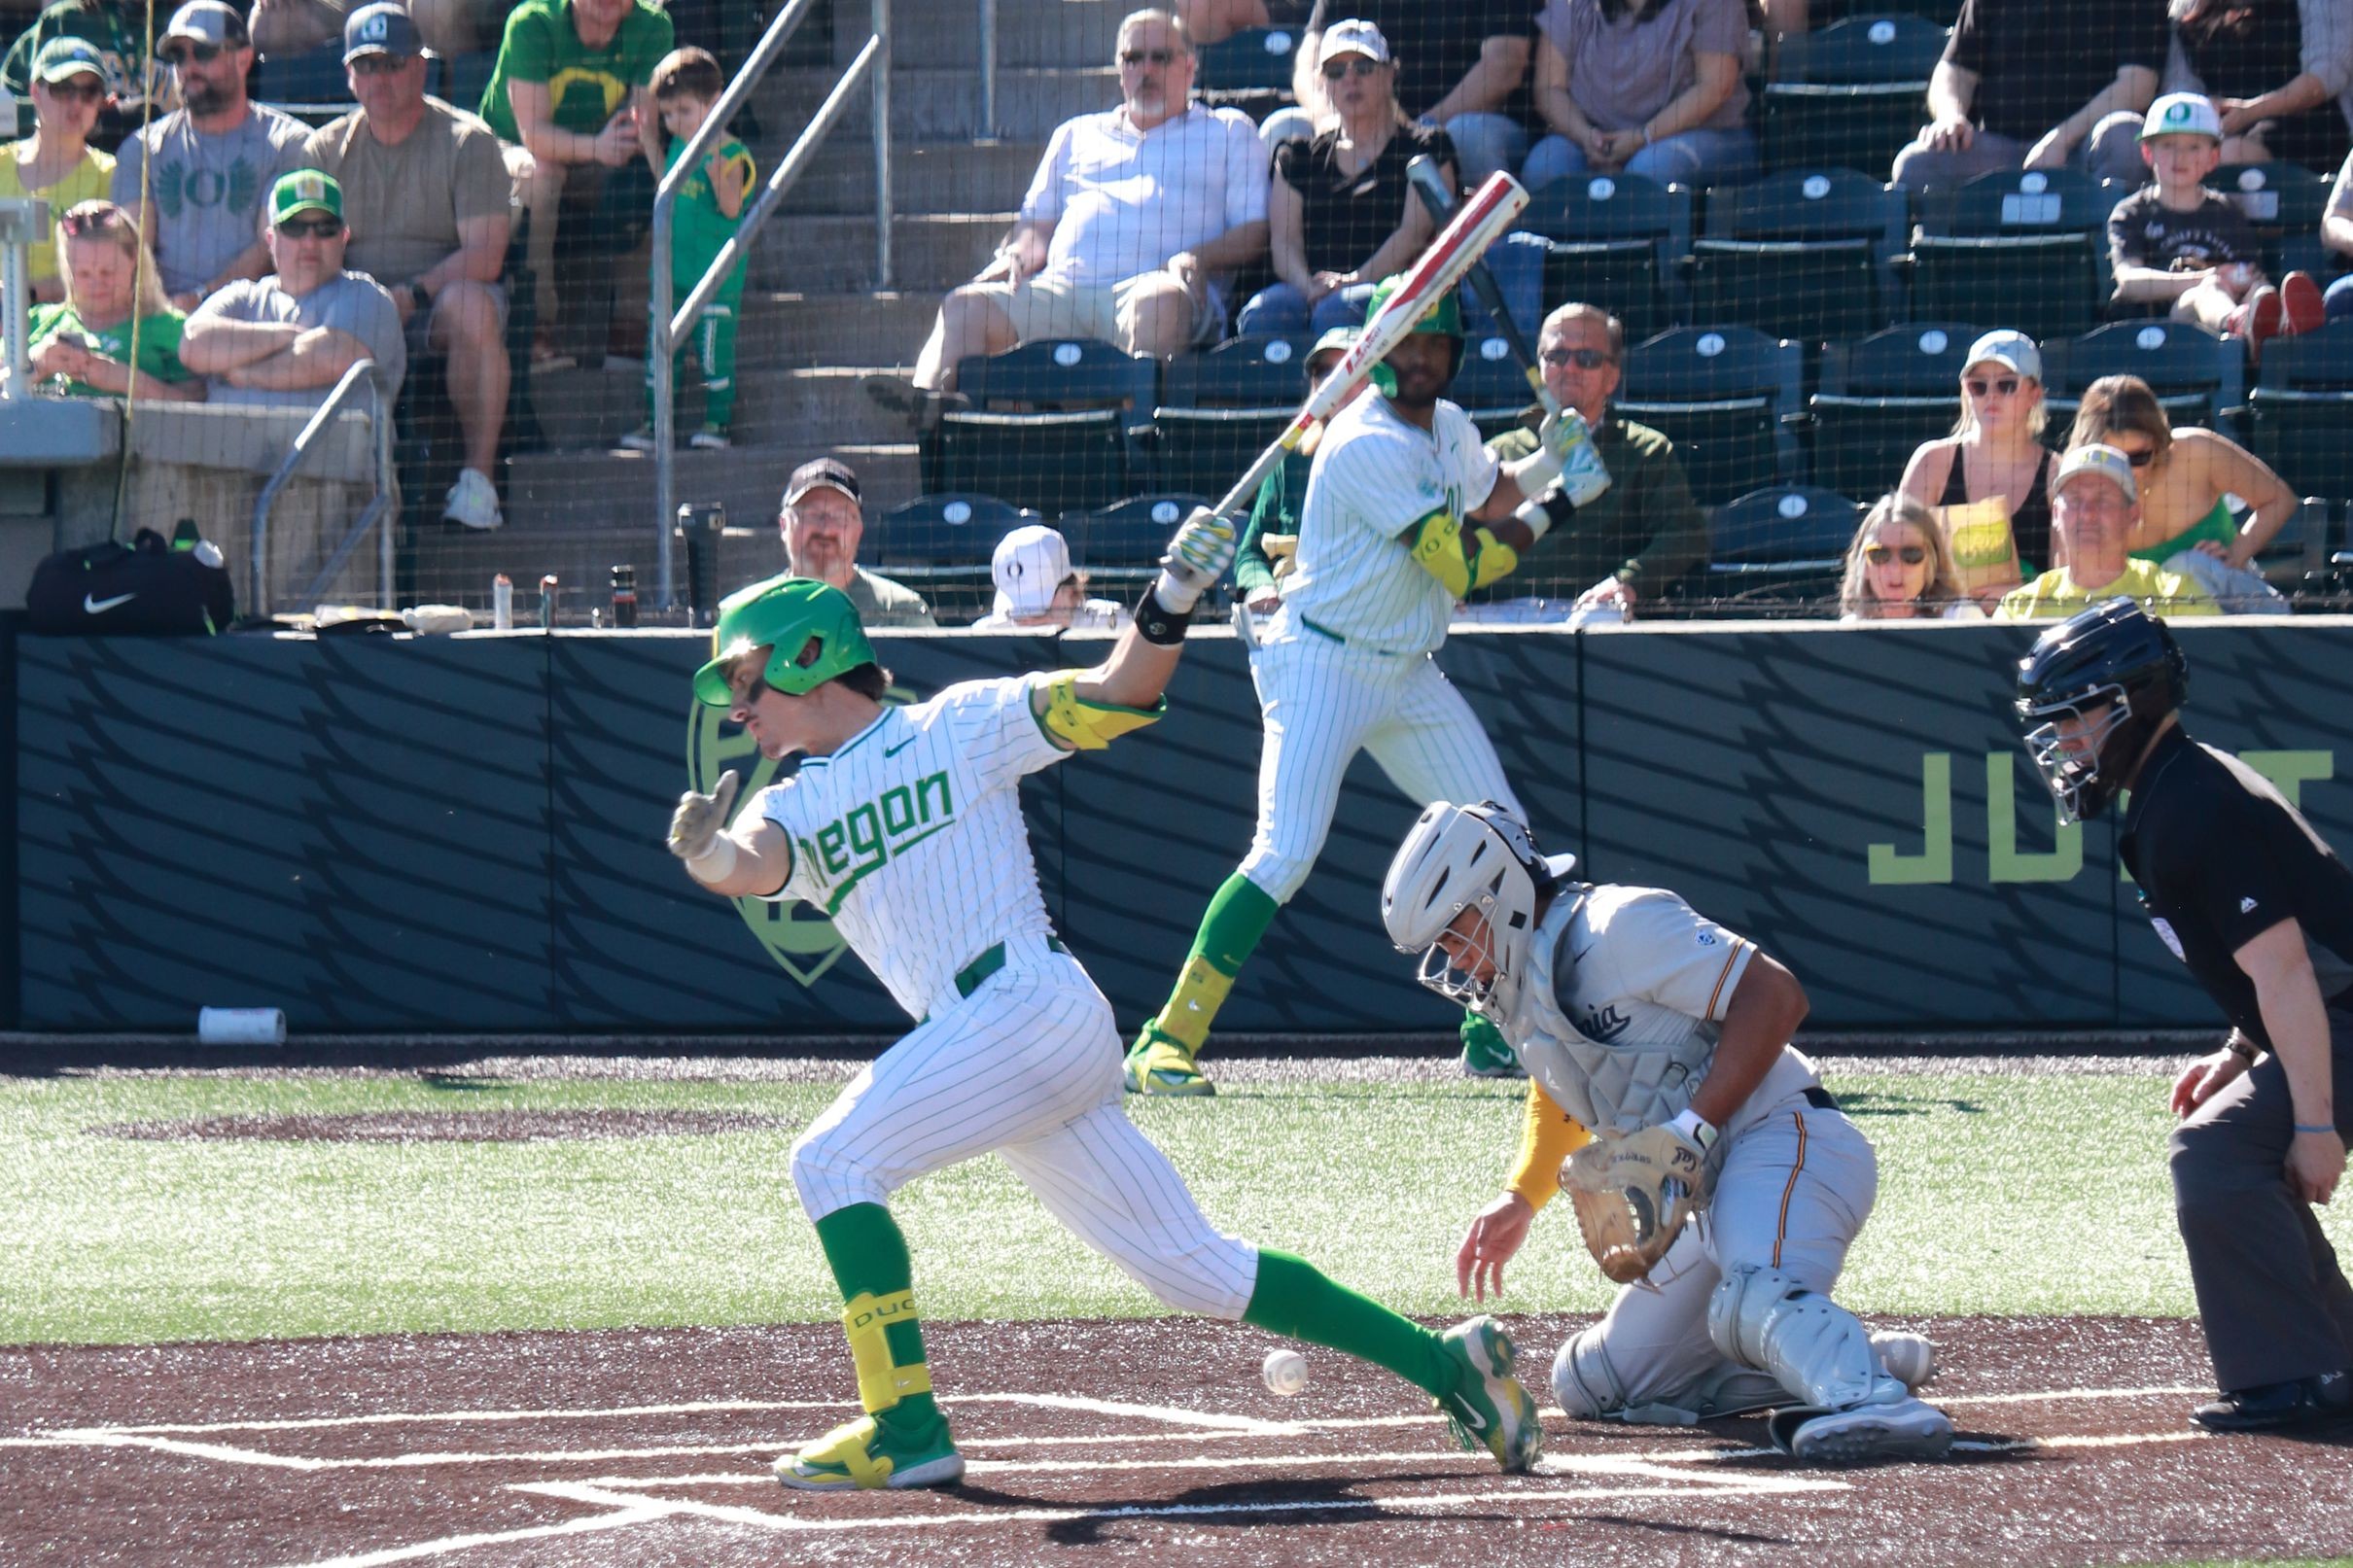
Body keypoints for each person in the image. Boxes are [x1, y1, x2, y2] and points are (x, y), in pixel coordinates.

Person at [661, 530, 1548, 1490]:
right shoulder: (793, 802)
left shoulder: (957, 723)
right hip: (1006, 1045)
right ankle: (1451, 1366)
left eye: (747, 677)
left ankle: (905, 1425)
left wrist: (1171, 593)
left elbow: (1121, 687)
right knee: (1196, 1269)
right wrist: (705, 853)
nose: (737, 704)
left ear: (809, 653)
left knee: (830, 1160)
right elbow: (748, 861)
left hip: (1024, 1006)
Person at [1125, 276, 1614, 1096]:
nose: (1420, 358)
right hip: (1320, 662)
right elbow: (1463, 564)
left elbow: (1490, 495)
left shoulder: (1448, 425)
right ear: (1378, 351)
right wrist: (1564, 501)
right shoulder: (1362, 441)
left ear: (1454, 353)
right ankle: (1164, 1040)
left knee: (1505, 837)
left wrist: (1548, 461)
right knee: (1285, 852)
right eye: (1405, 342)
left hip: (1404, 666)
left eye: (1434, 343)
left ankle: (1489, 1030)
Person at [1379, 800, 1956, 1463]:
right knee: (1594, 1381)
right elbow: (1565, 1085)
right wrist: (1521, 1197)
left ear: (1498, 895)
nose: (1452, 959)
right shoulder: (1521, 989)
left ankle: (1873, 1401)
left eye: (1454, 933)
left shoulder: (1619, 925)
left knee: (1750, 1300)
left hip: (1790, 1139)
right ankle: (1838, 1355)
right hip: (1710, 1192)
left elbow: (1775, 996)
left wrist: (1689, 1128)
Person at [2014, 598, 2353, 1431]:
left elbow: (2286, 966)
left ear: (2130, 701)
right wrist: (2240, 1053)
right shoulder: (2179, 786)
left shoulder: (2192, 801)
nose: (2064, 740)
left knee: (2217, 1152)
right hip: (2334, 1013)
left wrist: (2316, 1124)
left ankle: (2300, 1373)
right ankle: (2332, 1358)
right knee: (2236, 1151)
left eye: (2075, 716)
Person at [869, 11, 1268, 415]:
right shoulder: (1076, 134)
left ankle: (1135, 442)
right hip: (1061, 291)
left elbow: (1255, 230)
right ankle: (927, 411)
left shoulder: (1228, 131)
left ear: (1190, 67)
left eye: (1160, 57)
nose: (1145, 70)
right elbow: (1036, 227)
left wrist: (1199, 257)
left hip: (1154, 290)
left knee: (1160, 302)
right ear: (1119, 69)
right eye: (1133, 58)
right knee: (964, 304)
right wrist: (1016, 255)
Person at [301, 2, 515, 534]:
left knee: (471, 307)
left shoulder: (468, 141)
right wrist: (366, 302)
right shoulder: (323, 151)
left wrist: (411, 295)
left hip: (434, 306)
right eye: (366, 65)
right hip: (351, 306)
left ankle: (479, 483)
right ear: (349, 75)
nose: (380, 78)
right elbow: (304, 251)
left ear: (421, 66)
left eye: (392, 64)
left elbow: (486, 255)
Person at [1472, 301, 1706, 621]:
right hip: (1493, 616)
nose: (1569, 368)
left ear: (1612, 377)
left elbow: (1685, 535)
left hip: (1595, 616)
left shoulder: (1646, 451)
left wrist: (1627, 582)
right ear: (1539, 368)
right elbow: (1456, 536)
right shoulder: (1499, 453)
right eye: (1556, 356)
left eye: (1587, 358)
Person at [478, 0, 673, 367]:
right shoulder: (531, 24)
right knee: (543, 175)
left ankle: (633, 326)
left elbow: (643, 126)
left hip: (596, 151)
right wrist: (597, 147)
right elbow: (533, 135)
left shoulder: (653, 27)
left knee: (652, 182)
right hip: (509, 151)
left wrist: (666, 180)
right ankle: (535, 325)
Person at [1235, 19, 1454, 338]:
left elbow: (1413, 234)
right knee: (1267, 312)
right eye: (1336, 71)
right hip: (1309, 291)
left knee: (1338, 310)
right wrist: (1308, 287)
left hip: (1391, 293)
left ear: (1390, 74)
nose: (1350, 79)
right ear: (1323, 82)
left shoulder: (1428, 147)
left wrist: (1353, 282)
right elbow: (1284, 242)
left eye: (1363, 67)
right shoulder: (1297, 156)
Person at [109, 0, 310, 311]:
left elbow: (270, 247)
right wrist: (166, 313)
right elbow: (134, 251)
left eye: (203, 52)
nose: (188, 68)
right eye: (179, 56)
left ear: (244, 59)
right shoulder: (141, 148)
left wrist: (201, 299)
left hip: (255, 313)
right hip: (161, 315)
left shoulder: (288, 143)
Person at [179, 168, 407, 410]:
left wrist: (245, 372)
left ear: (344, 236)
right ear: (270, 239)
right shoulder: (242, 296)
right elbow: (193, 344)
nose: (310, 242)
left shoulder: (367, 296)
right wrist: (285, 335)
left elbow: (331, 358)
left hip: (332, 437)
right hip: (227, 436)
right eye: (294, 228)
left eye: (325, 228)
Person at [2108, 92, 2325, 347]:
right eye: (2168, 145)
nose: (2180, 156)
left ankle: (2280, 331)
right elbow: (2129, 281)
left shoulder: (2227, 213)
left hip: (2222, 328)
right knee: (2208, 290)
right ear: (2147, 152)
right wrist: (2207, 278)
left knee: (2258, 289)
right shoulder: (2131, 212)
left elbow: (2251, 274)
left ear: (2213, 157)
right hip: (2163, 329)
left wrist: (2254, 288)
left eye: (2194, 147)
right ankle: (2240, 324)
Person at [2067, 372, 2296, 610]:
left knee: (2188, 567)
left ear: (2158, 441)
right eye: (2115, 458)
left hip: (2236, 603)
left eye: (2139, 457)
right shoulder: (2075, 494)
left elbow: (2279, 499)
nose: (2129, 470)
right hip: (2146, 615)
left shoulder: (2196, 452)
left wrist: (2236, 554)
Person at [619, 45, 753, 453]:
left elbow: (731, 207)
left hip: (714, 281)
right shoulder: (679, 144)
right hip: (671, 273)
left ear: (715, 103)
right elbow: (668, 186)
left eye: (685, 111)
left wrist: (714, 166)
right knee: (660, 353)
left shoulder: (732, 153)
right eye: (667, 114)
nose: (675, 122)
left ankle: (718, 420)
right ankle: (655, 422)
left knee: (712, 353)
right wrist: (649, 141)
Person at [1889, 0, 2161, 192]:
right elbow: (1955, 70)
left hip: (2083, 151)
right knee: (1915, 164)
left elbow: (2137, 85)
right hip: (2001, 152)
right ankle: (1956, 255)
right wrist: (1951, 115)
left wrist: (2061, 139)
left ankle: (2113, 250)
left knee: (2126, 141)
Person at [1285, 2, 1533, 189]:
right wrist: (1326, 120)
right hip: (1375, 128)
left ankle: (1485, 242)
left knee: (1467, 133)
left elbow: (1504, 66)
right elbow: (1308, 65)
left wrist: (1420, 130)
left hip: (1481, 124)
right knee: (1286, 126)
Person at [1522, 0, 1758, 192]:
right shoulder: (1570, 4)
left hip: (1703, 136)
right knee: (1543, 168)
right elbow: (1549, 88)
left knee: (1649, 173)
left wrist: (1643, 137)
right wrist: (1587, 137)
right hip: (1590, 140)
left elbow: (1715, 87)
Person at [1896, 329, 2059, 604]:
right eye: (1978, 386)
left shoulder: (2057, 473)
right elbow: (1899, 554)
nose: (1991, 396)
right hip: (1939, 620)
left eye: (2006, 385)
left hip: (2030, 622)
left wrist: (2017, 596)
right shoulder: (1931, 463)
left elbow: (2067, 581)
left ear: (2034, 394)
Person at [1992, 444, 2223, 619]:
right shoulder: (2018, 609)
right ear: (2055, 514)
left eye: (2103, 501)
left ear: (2132, 515)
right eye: (2075, 500)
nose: (2087, 513)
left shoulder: (2177, 597)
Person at [1234, 323, 1363, 614]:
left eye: (1350, 369)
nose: (1336, 382)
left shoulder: (1406, 453)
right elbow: (1250, 554)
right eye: (1325, 372)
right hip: (1297, 617)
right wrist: (1260, 585)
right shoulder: (1290, 458)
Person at [25, 198, 204, 401]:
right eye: (84, 273)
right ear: (67, 268)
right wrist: (36, 364)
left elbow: (196, 407)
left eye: (108, 272)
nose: (96, 283)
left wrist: (127, 381)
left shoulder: (171, 327)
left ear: (134, 258)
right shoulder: (35, 321)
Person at [2149, 0, 2353, 173]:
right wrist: (2202, 111)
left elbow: (2328, 73)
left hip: (2303, 128)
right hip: (2217, 128)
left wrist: (2250, 111)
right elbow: (2180, 85)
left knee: (2228, 154)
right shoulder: (2186, 6)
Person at [0, 37, 113, 306]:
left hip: (67, 322)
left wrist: (24, 293)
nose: (76, 103)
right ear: (35, 92)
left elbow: (110, 273)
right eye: (63, 89)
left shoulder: (109, 174)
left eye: (89, 92)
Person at [775, 458, 937, 630]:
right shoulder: (758, 608)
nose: (826, 529)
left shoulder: (901, 613)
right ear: (784, 525)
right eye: (812, 515)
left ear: (859, 528)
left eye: (841, 516)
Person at [1, 0, 170, 128]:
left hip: (160, 161)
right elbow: (5, 110)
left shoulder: (177, 28)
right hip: (74, 160)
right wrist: (83, 110)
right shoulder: (65, 20)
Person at [1837, 494, 1985, 620]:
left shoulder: (1960, 617)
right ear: (1864, 566)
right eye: (1879, 554)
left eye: (1911, 554)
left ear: (1931, 563)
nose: (1895, 569)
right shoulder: (1851, 629)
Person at [970, 523, 1131, 631]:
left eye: (1037, 611)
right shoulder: (983, 635)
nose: (1027, 620)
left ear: (1070, 589)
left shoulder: (1115, 625)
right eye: (1015, 612)